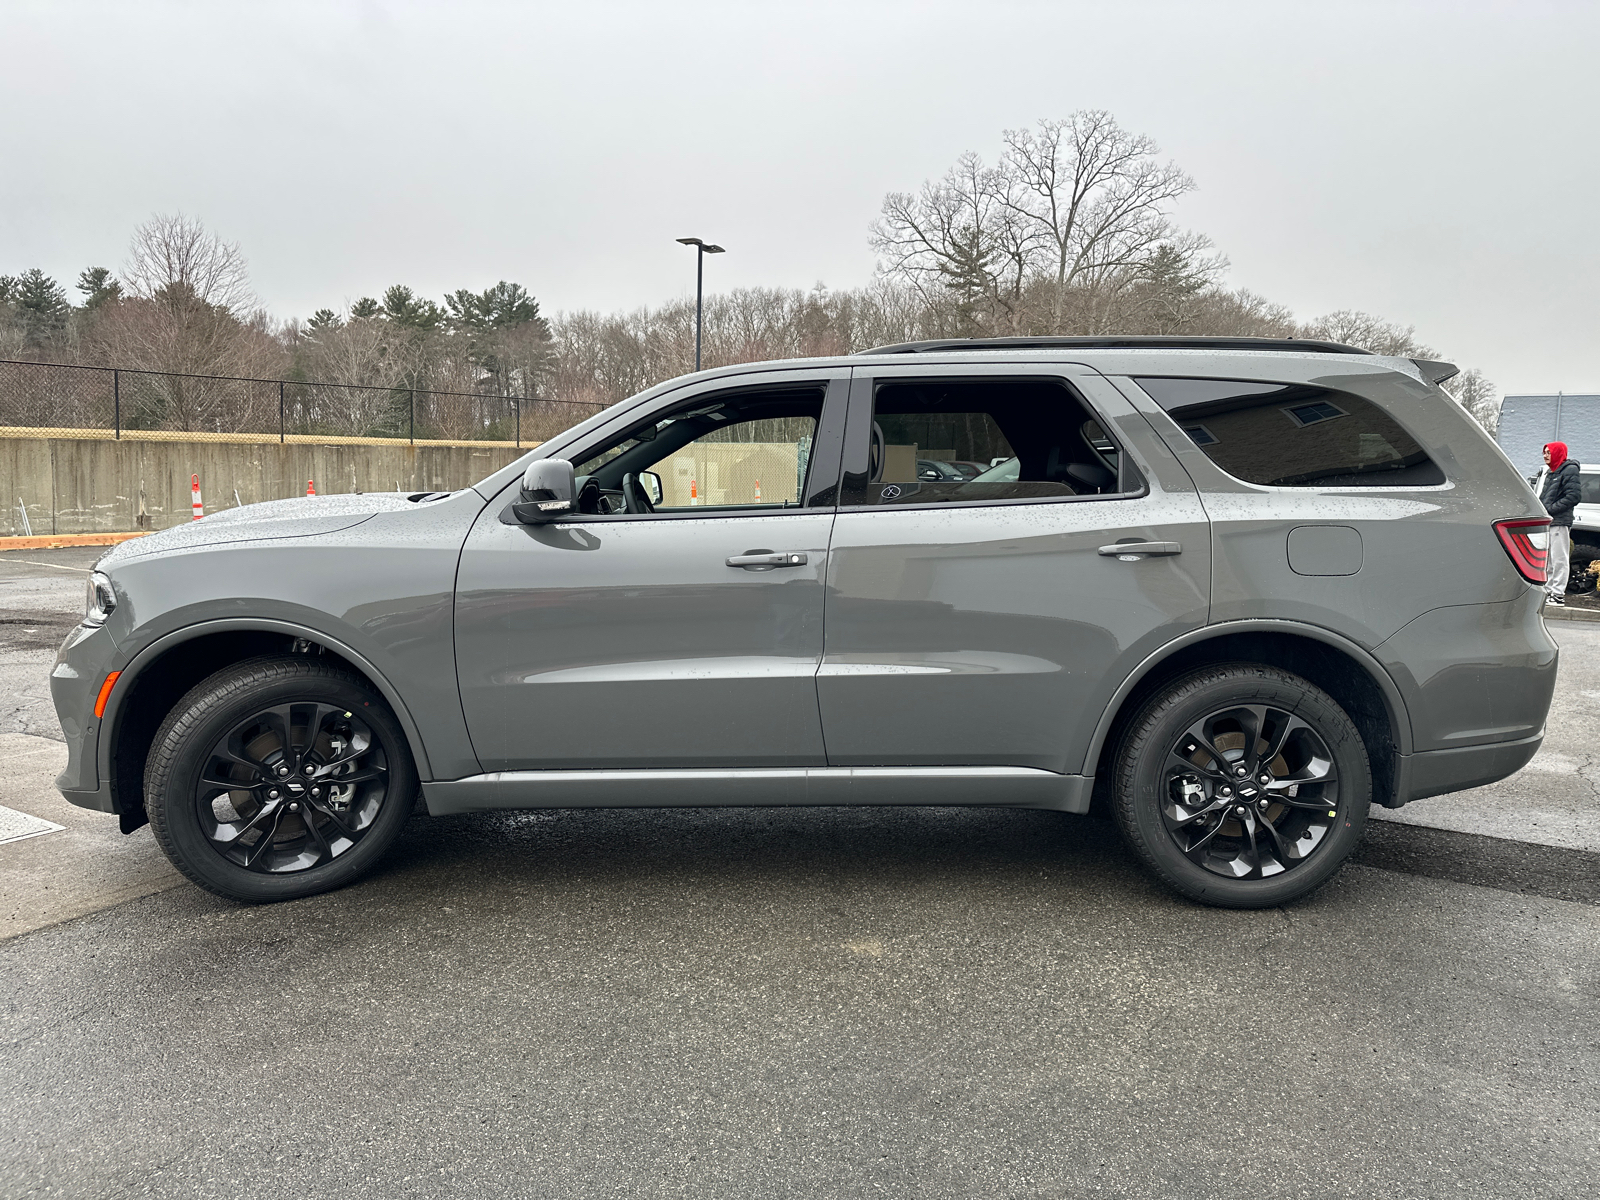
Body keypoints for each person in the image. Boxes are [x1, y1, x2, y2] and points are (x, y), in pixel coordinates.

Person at [1539, 441, 1582, 605]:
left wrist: (1549, 510)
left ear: (1558, 453)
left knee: (1559, 559)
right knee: (1549, 560)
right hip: (1549, 521)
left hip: (1559, 521)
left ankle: (1557, 594)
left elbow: (1573, 496)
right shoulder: (1552, 471)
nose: (1545, 456)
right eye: (1544, 452)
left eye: (1549, 452)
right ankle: (1549, 591)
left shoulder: (1569, 470)